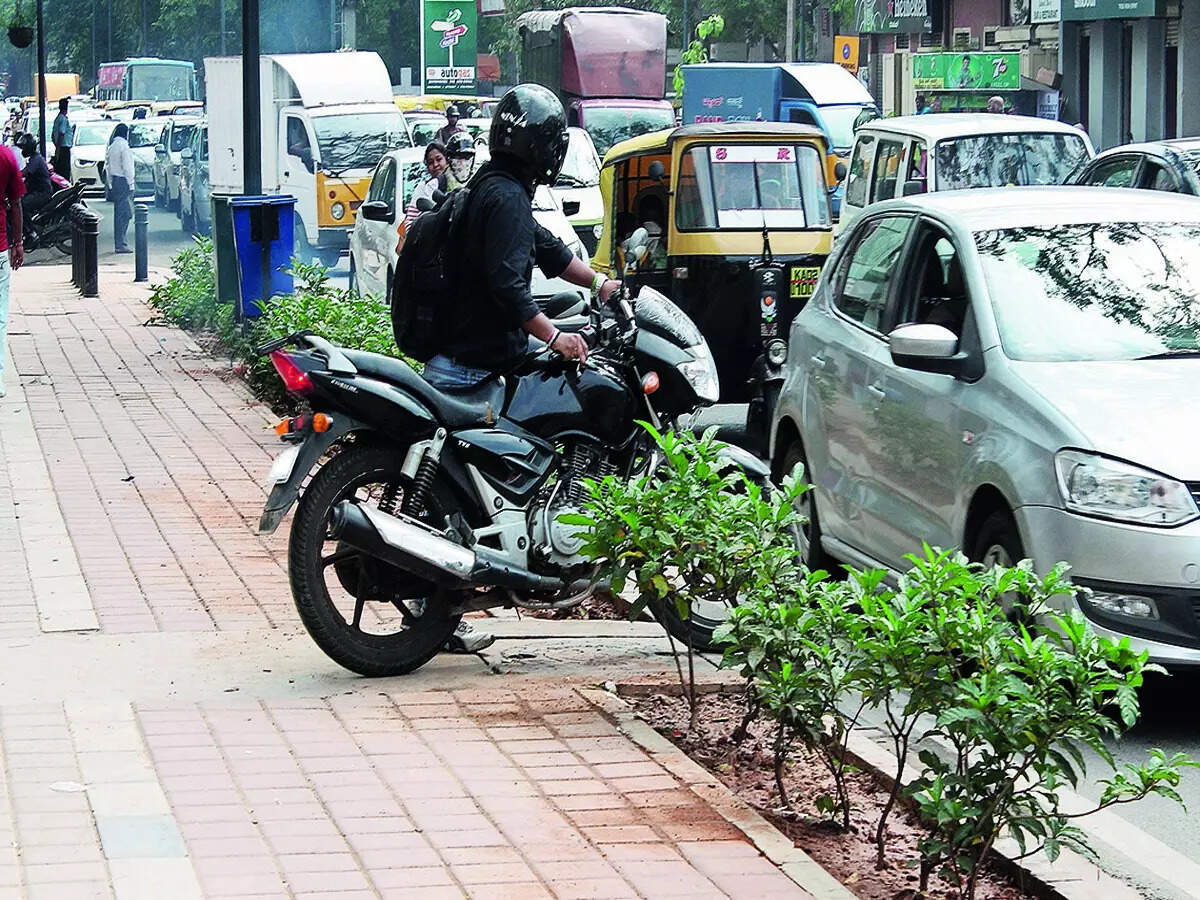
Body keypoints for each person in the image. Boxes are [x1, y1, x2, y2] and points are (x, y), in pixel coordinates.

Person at [421, 84, 621, 653]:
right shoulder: (503, 197)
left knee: (478, 491)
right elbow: (510, 288)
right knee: (466, 500)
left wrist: (600, 283)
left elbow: (550, 252)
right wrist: (557, 336)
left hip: (466, 357)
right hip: (470, 367)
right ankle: (447, 603)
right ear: (544, 147)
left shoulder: (494, 187)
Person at [0, 136, 23, 398]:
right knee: (0, 318)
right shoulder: (6, 157)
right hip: (0, 247)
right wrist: (18, 243)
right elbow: (16, 204)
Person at [403, 141, 448, 231]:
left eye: (439, 159)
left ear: (447, 159)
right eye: (431, 162)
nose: (435, 165)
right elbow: (408, 224)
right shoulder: (422, 189)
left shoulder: (461, 185)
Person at [105, 123, 135, 253]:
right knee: (125, 213)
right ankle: (121, 242)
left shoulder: (112, 147)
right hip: (123, 180)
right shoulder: (124, 147)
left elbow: (108, 167)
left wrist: (110, 182)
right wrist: (131, 183)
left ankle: (120, 242)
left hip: (116, 180)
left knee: (120, 212)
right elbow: (128, 167)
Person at [15, 134, 52, 226]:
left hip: (42, 193)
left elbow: (24, 173)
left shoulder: (36, 159)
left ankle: (31, 231)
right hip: (34, 191)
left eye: (24, 147)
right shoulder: (32, 159)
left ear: (29, 147)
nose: (22, 150)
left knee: (22, 205)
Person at [50, 97, 72, 181]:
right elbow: (61, 133)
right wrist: (58, 148)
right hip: (63, 148)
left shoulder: (58, 118)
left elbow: (53, 135)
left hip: (61, 147)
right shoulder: (63, 119)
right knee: (64, 171)